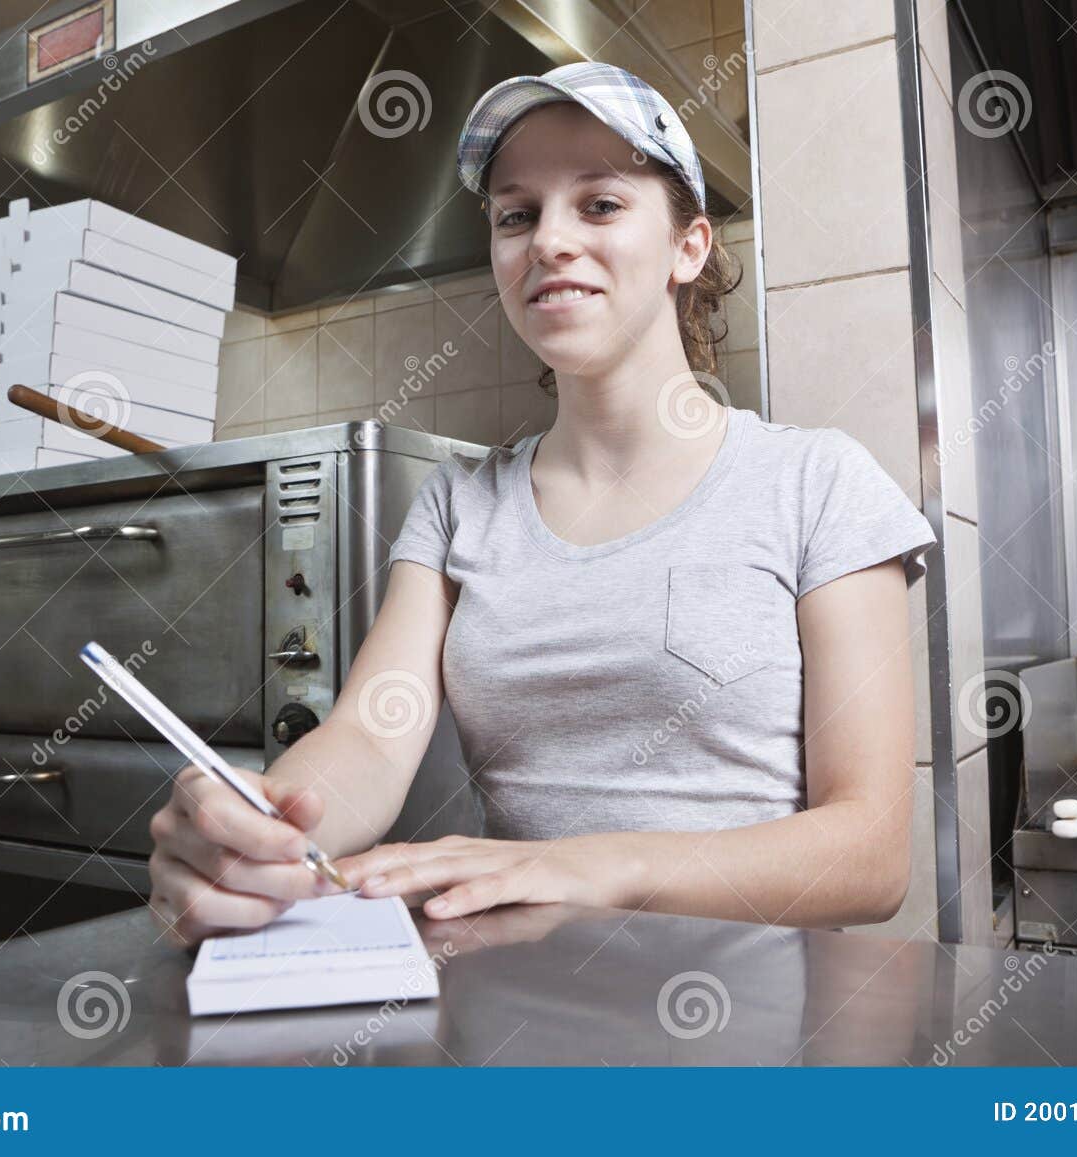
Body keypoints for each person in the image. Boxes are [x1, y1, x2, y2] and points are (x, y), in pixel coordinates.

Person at [146, 61, 937, 945]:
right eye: (516, 215)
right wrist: (265, 822)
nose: (549, 241)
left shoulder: (818, 482)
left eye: (599, 204)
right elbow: (370, 737)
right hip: (512, 1020)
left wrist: (589, 864)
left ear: (689, 246)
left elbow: (870, 853)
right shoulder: (459, 507)